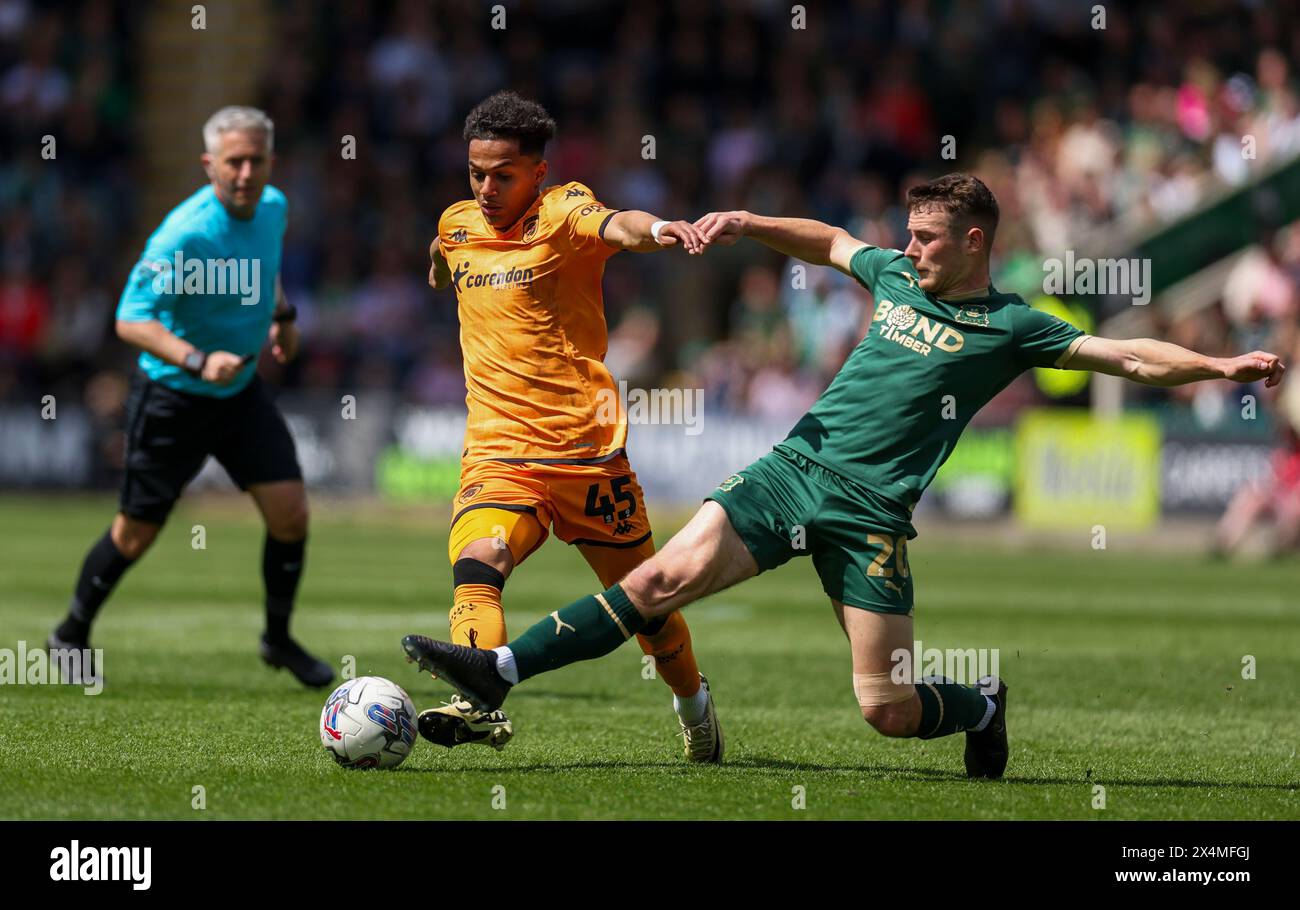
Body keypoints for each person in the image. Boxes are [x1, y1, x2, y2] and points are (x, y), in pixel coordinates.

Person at [402, 173, 1285, 778]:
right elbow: (829, 242)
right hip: (792, 471)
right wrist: (747, 224)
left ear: (975, 242)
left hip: (870, 518)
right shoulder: (897, 274)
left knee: (887, 711)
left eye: (930, 238)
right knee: (660, 578)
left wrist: (1217, 366)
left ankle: (978, 707)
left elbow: (1126, 357)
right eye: (910, 234)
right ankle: (499, 672)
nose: (911, 249)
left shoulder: (1016, 327)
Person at [412, 91, 721, 761]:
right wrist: (437, 261)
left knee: (651, 612)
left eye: (504, 175)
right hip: (498, 455)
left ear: (539, 173)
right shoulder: (460, 223)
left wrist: (661, 229)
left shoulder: (563, 213)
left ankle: (695, 705)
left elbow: (618, 225)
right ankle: (476, 702)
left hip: (587, 456)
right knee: (478, 565)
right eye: (477, 174)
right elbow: (444, 249)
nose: (488, 188)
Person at [48, 106, 332, 689]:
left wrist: (282, 317)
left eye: (256, 160)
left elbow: (267, 268)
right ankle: (69, 634)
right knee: (135, 532)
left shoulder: (274, 208)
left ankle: (277, 640)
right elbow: (131, 319)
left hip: (240, 394)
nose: (246, 172)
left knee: (291, 514)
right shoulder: (185, 233)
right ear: (210, 165)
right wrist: (198, 360)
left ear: (271, 162)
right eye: (234, 162)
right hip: (173, 397)